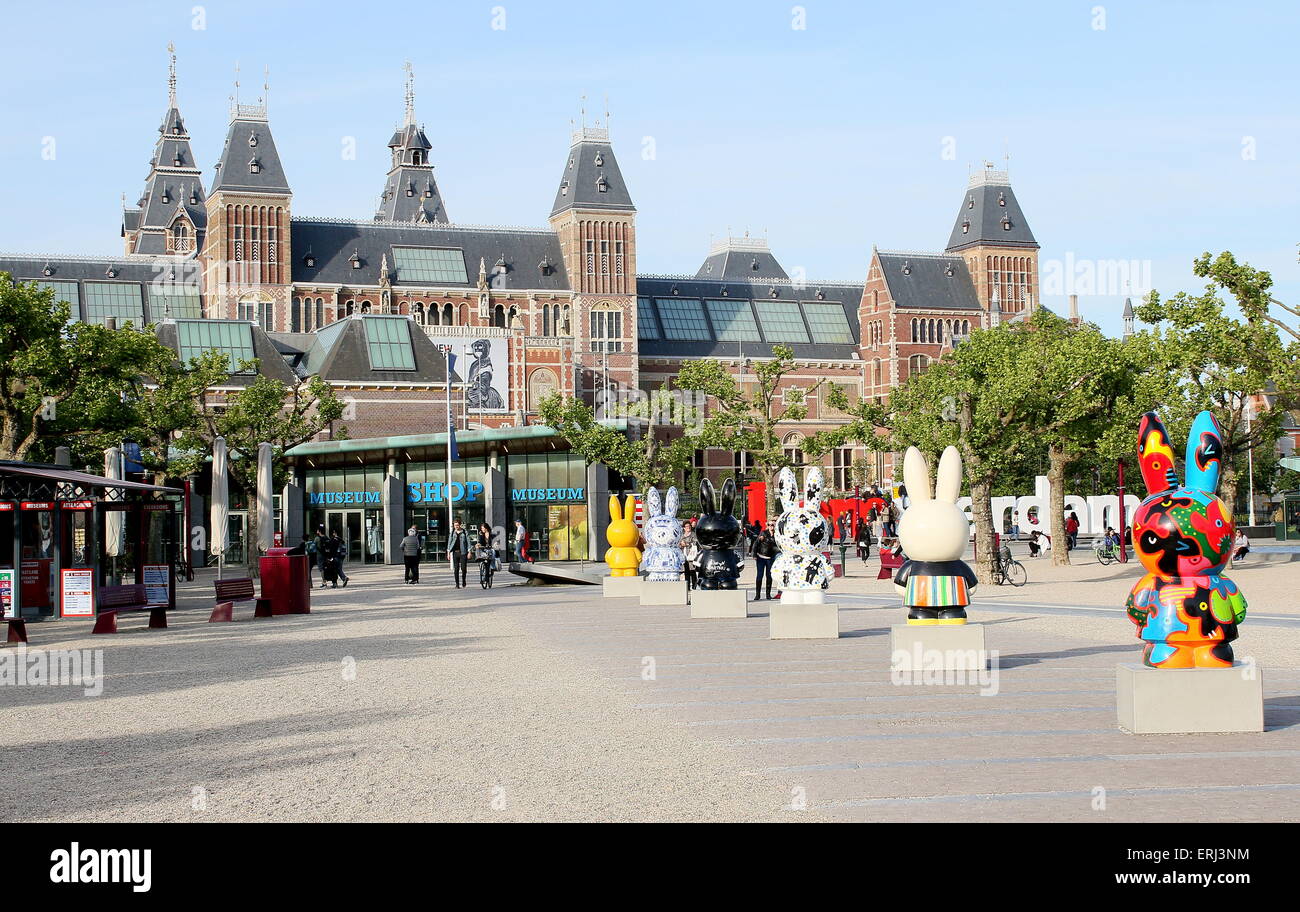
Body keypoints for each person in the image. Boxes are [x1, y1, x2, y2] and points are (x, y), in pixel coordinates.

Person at [753, 526, 778, 600]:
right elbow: (756, 543)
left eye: (773, 525)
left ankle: (768, 594)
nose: (771, 527)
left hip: (770, 558)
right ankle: (757, 595)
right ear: (768, 526)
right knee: (759, 576)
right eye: (770, 525)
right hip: (761, 557)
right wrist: (754, 554)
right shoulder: (764, 533)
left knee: (769, 576)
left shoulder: (776, 535)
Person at [448, 520, 470, 588]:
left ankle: (463, 580)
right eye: (455, 525)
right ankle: (457, 584)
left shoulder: (464, 532)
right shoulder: (452, 533)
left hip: (463, 552)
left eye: (457, 525)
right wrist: (448, 553)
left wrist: (469, 552)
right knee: (456, 569)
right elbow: (449, 543)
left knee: (463, 568)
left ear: (460, 525)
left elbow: (468, 542)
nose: (456, 527)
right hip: (455, 552)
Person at [681, 520, 701, 590]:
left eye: (689, 526)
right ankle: (687, 587)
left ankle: (694, 586)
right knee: (686, 572)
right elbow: (679, 544)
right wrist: (681, 544)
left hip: (692, 556)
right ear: (684, 528)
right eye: (686, 526)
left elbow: (695, 543)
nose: (688, 527)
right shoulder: (682, 535)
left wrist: (686, 544)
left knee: (692, 571)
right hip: (684, 556)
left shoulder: (693, 534)